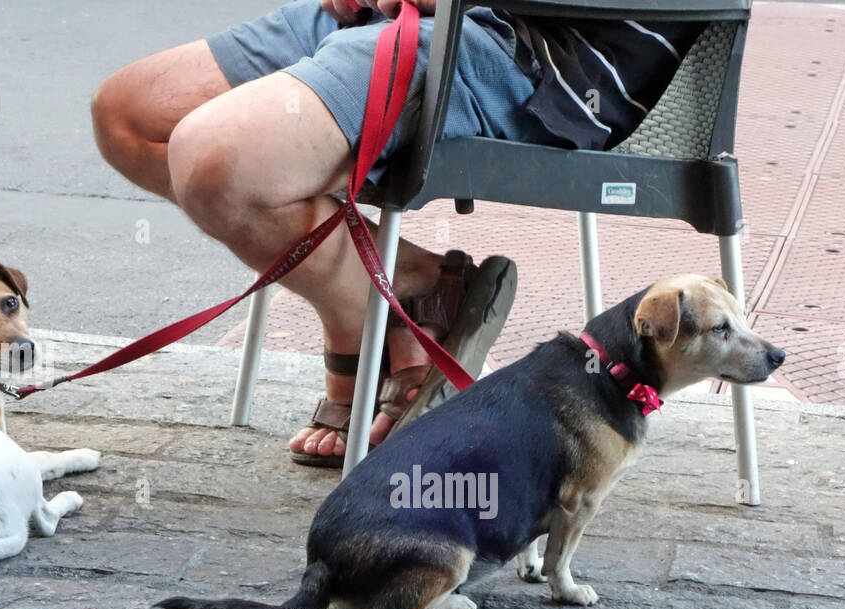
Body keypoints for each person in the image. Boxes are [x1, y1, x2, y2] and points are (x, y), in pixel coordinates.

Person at [92, 0, 702, 466]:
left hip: (534, 49)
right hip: (391, 15)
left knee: (216, 162)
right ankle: (411, 289)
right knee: (130, 115)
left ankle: (361, 310)